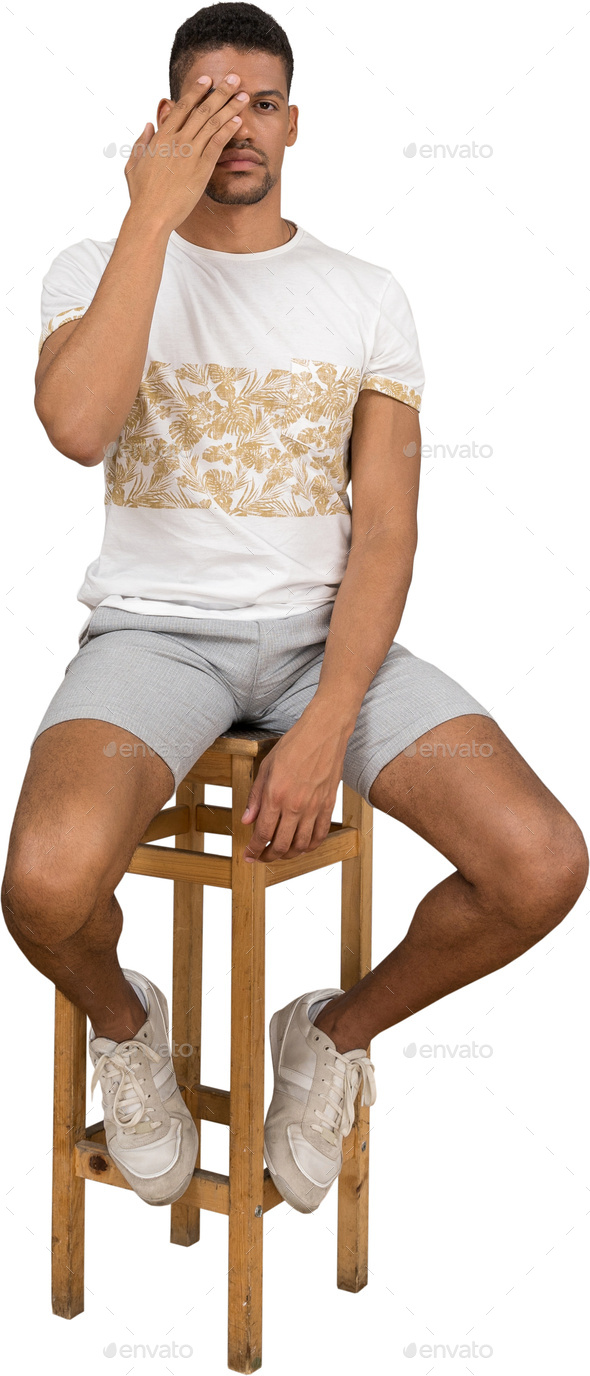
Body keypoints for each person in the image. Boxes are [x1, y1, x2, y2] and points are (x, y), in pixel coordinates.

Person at [2, 2, 587, 1214]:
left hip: (330, 642)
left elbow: (385, 532)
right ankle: (130, 1028)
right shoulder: (95, 264)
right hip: (154, 634)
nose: (239, 125)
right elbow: (75, 428)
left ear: (293, 121)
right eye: (210, 102)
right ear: (167, 120)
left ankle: (331, 1034)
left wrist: (326, 722)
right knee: (45, 885)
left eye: (259, 101)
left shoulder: (364, 293)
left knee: (538, 863)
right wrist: (147, 220)